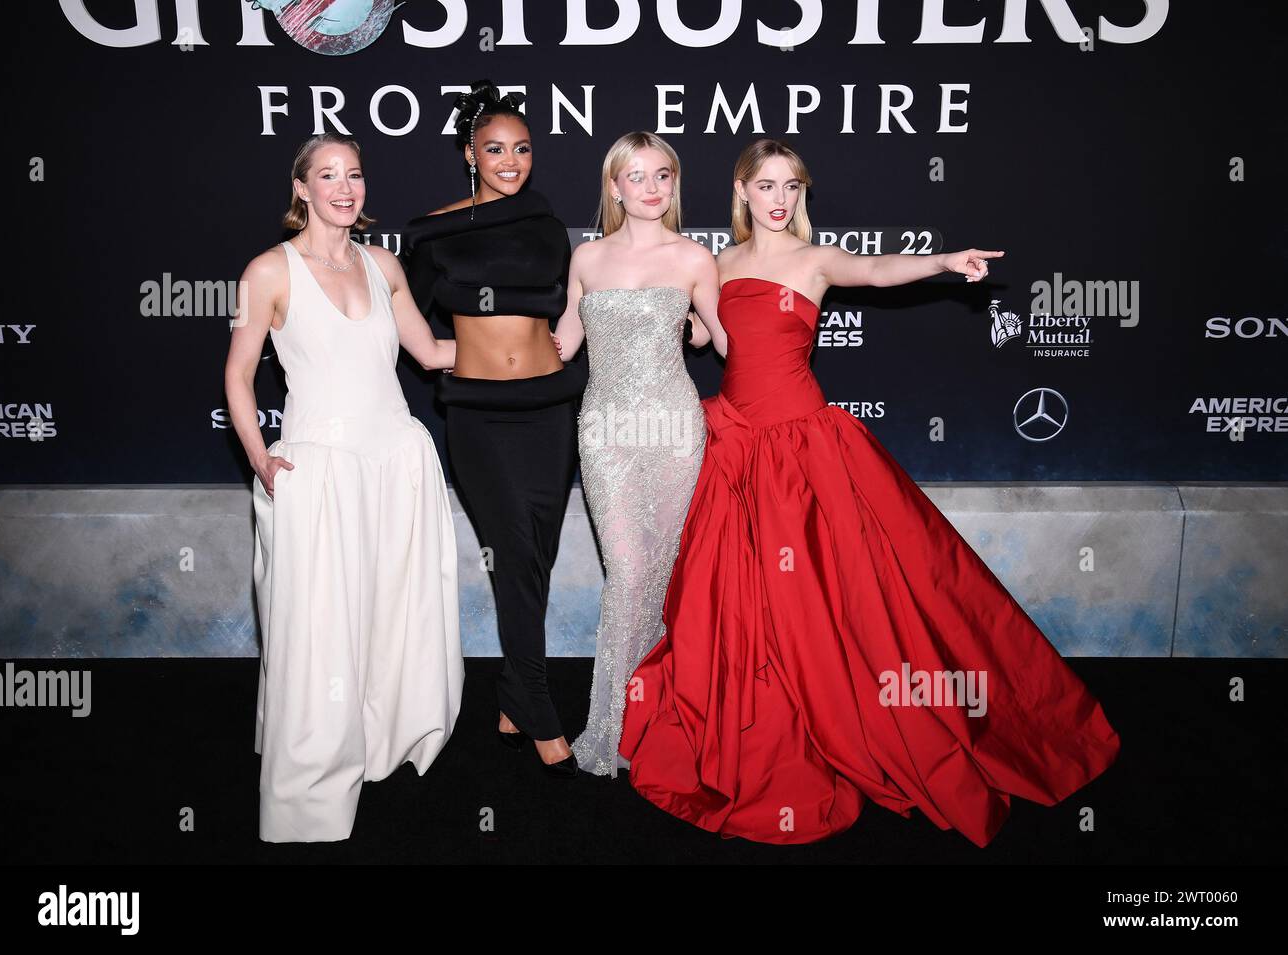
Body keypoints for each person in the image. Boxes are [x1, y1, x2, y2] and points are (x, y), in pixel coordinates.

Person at [618, 138, 1122, 846]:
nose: (780, 198)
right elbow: (718, 341)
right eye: (766, 185)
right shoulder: (716, 263)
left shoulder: (815, 260)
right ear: (741, 191)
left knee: (848, 595)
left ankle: (851, 711)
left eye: (791, 186)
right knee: (732, 596)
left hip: (802, 449)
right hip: (732, 447)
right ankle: (755, 716)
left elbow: (879, 271)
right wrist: (693, 327)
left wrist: (945, 261)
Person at [223, 132, 465, 841]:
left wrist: (528, 342)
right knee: (318, 627)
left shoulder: (383, 263)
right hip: (320, 469)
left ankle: (388, 738)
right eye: (327, 174)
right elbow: (237, 375)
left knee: (395, 611)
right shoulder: (268, 271)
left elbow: (431, 353)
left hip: (396, 457)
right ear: (301, 188)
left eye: (353, 174)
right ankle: (311, 790)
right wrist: (262, 459)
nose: (344, 186)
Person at [401, 80, 586, 776]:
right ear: (470, 155)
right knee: (511, 553)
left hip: (550, 409)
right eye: (495, 149)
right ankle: (538, 706)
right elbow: (399, 316)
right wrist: (440, 353)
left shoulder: (543, 219)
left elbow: (573, 298)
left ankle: (512, 688)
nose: (511, 161)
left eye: (523, 149)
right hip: (480, 414)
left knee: (534, 555)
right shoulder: (431, 230)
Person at [550, 132, 725, 777]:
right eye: (637, 176)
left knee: (670, 575)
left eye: (663, 176)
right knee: (627, 572)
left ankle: (666, 719)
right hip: (606, 432)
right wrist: (497, 347)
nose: (651, 188)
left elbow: (721, 340)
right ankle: (615, 725)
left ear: (674, 185)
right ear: (614, 186)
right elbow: (566, 339)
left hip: (675, 430)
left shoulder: (696, 259)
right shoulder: (587, 258)